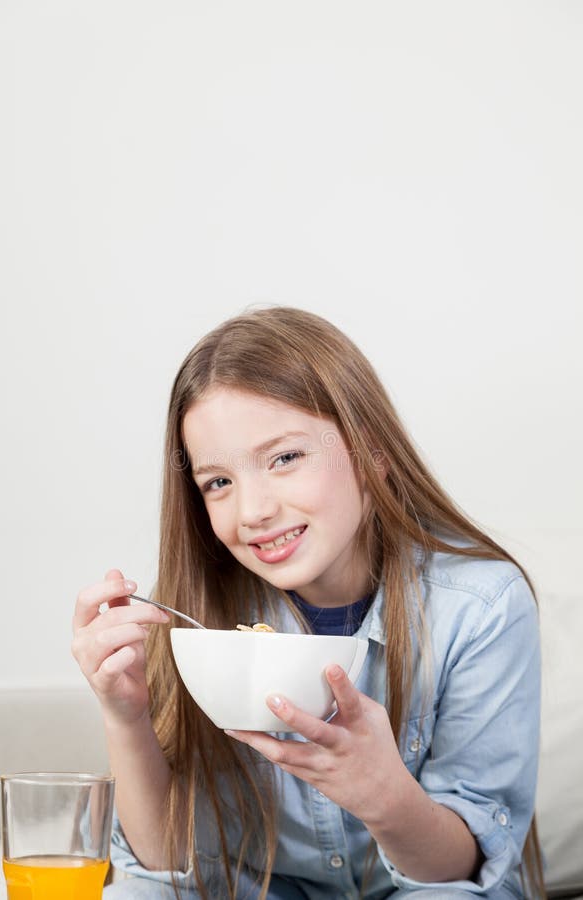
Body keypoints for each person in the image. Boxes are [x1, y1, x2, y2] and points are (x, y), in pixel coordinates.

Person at [72, 306, 545, 900]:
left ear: (372, 453)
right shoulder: (195, 611)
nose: (253, 512)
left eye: (285, 459)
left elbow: (462, 869)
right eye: (219, 482)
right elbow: (163, 863)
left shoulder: (480, 607)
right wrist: (125, 715)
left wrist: (387, 798)